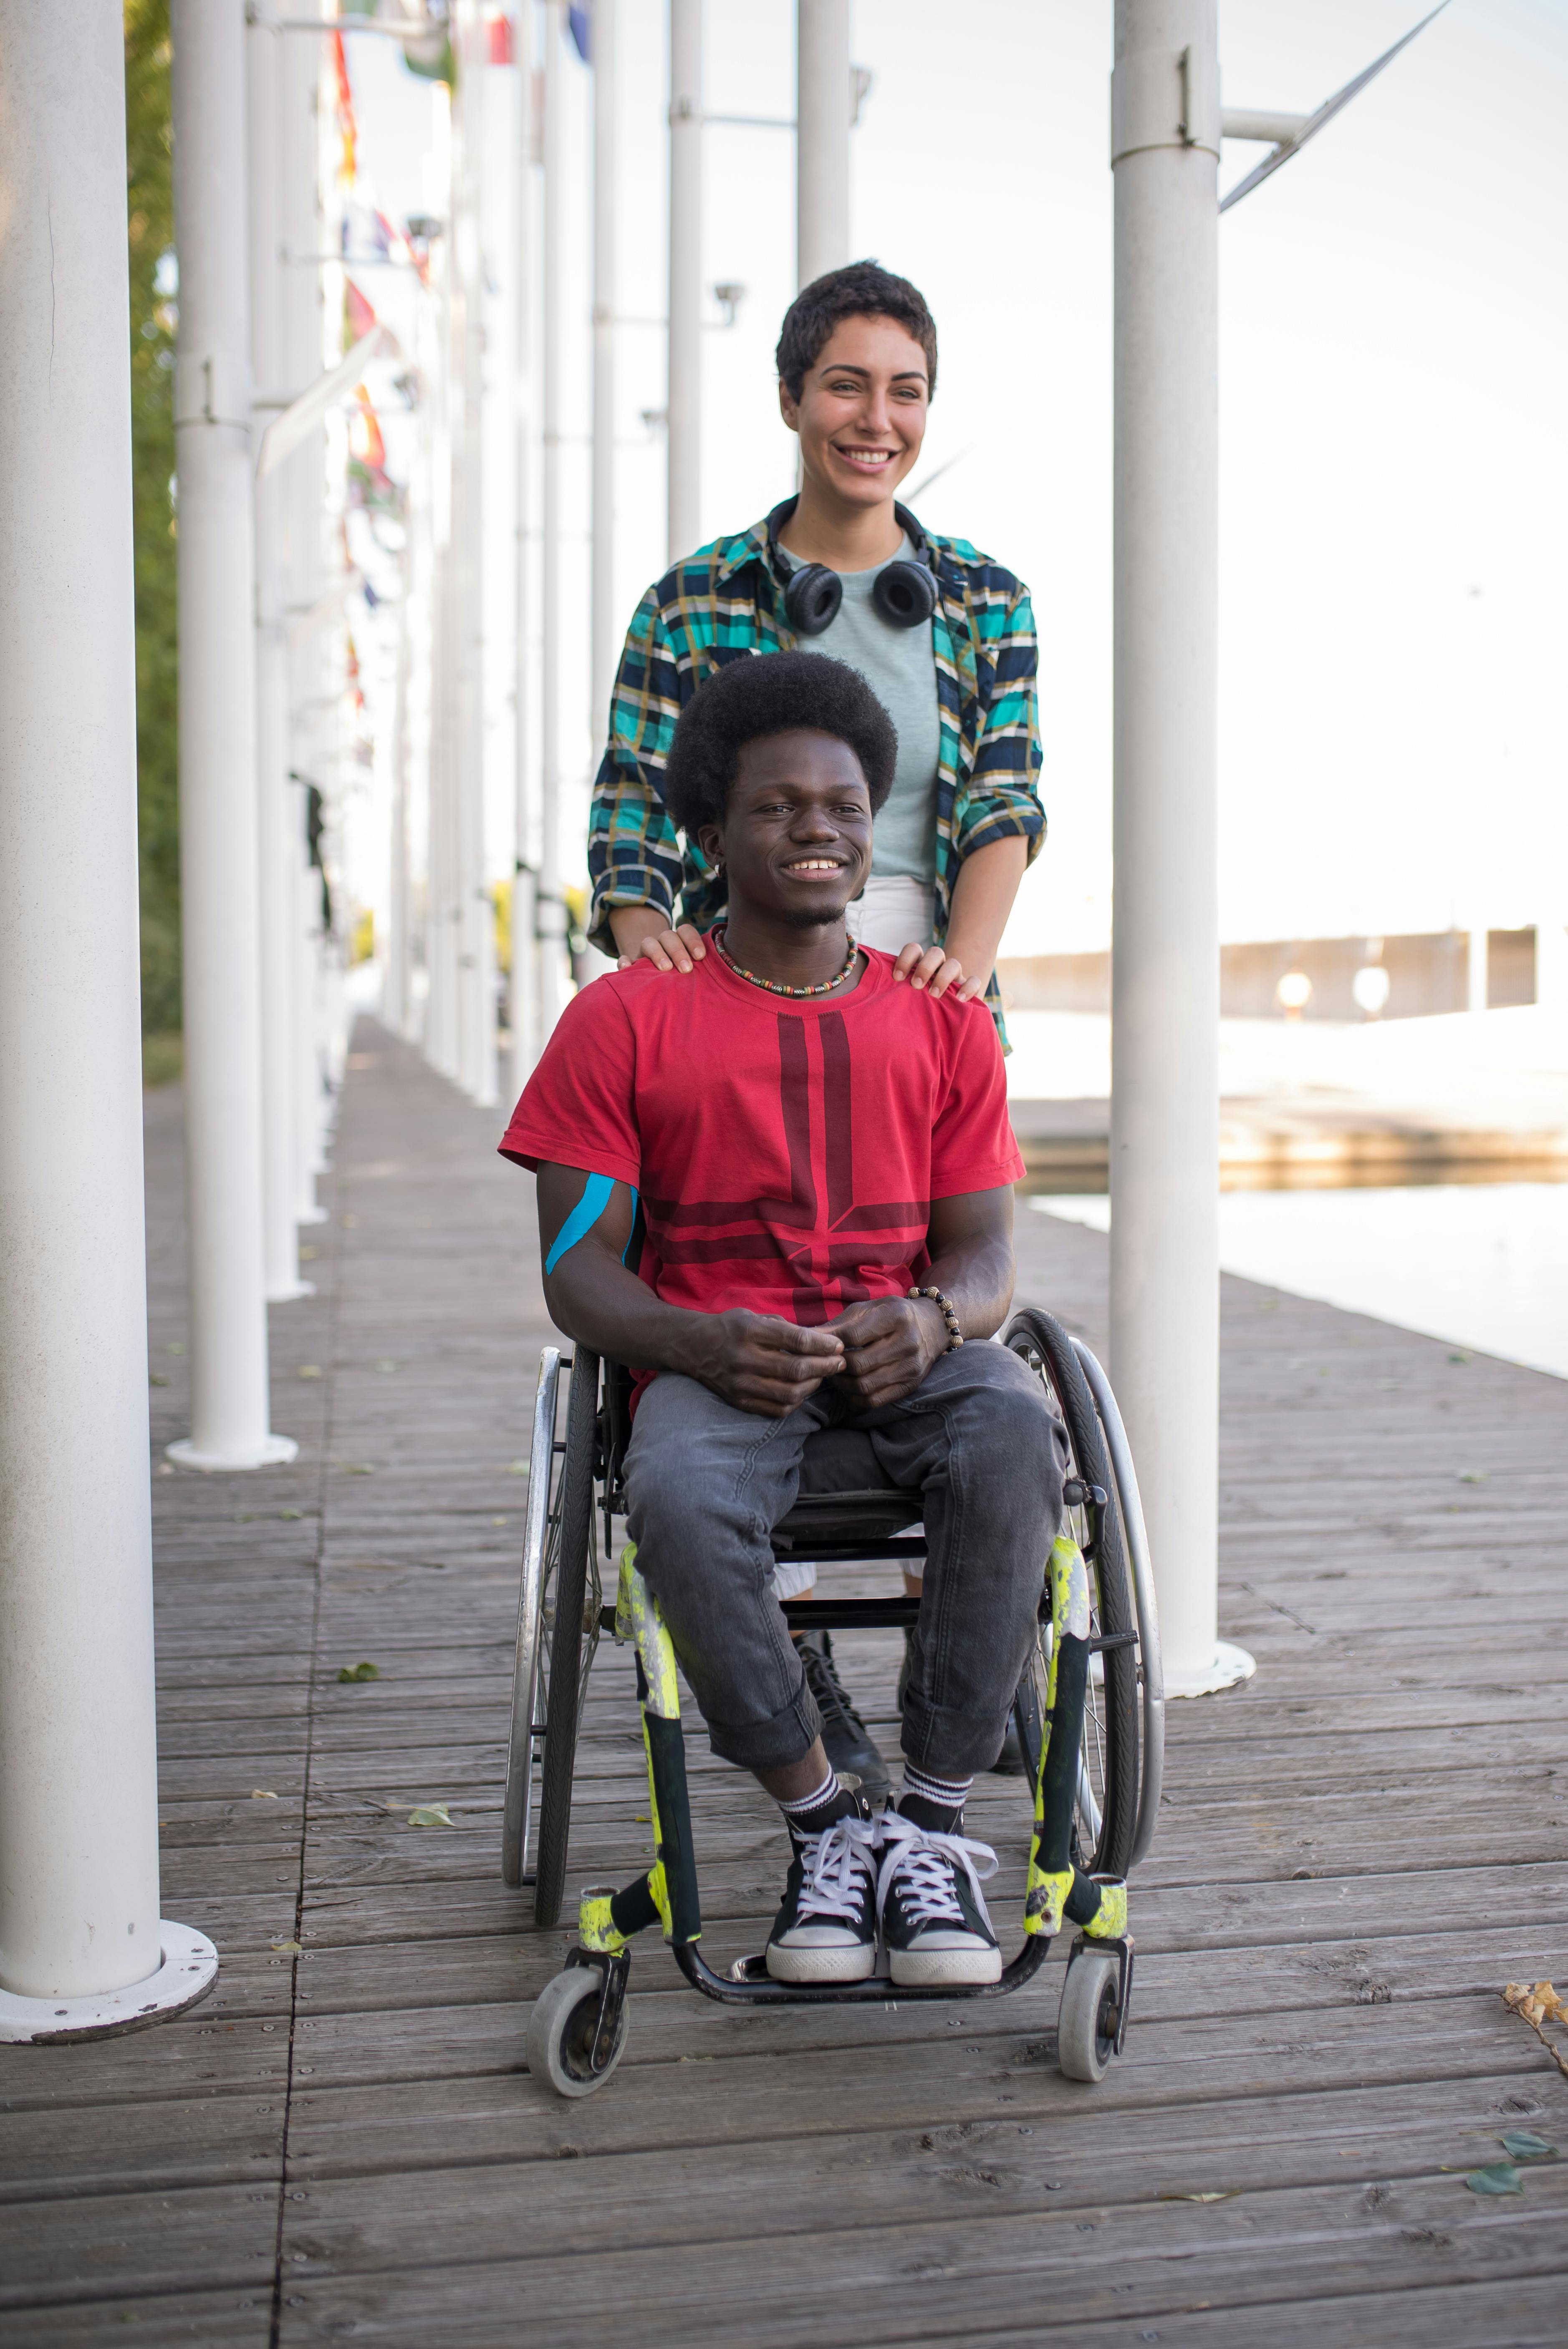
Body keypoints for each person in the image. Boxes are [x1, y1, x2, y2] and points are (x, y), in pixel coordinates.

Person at [502, 654, 1066, 1986]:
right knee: (679, 1494)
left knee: (1013, 1425)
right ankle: (822, 1821)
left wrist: (935, 1321)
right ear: (712, 829)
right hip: (717, 1374)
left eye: (847, 804)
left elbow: (986, 1262)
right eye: (778, 806)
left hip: (901, 1369)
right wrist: (700, 1341)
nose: (820, 826)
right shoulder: (625, 1017)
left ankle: (927, 1824)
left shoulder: (942, 1018)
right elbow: (580, 1274)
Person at [586, 259, 1046, 1783]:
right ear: (793, 399)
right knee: (747, 1281)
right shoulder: (697, 596)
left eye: (905, 389)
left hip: (925, 991)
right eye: (846, 384)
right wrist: (646, 929)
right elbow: (635, 807)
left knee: (942, 1330)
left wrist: (964, 974)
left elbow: (1002, 800)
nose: (877, 417)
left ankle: (940, 1735)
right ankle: (790, 1694)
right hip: (742, 979)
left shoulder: (981, 597)